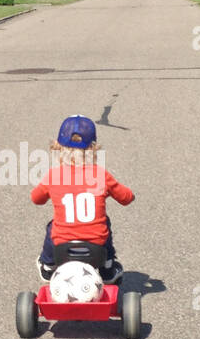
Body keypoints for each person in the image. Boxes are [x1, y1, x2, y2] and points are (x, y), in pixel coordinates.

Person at [30, 114, 135, 283]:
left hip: (62, 250)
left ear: (57, 146)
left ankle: (49, 265)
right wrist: (130, 195)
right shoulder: (100, 175)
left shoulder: (53, 176)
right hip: (96, 250)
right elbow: (126, 198)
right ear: (93, 148)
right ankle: (107, 267)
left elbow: (36, 199)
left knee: (53, 225)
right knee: (104, 222)